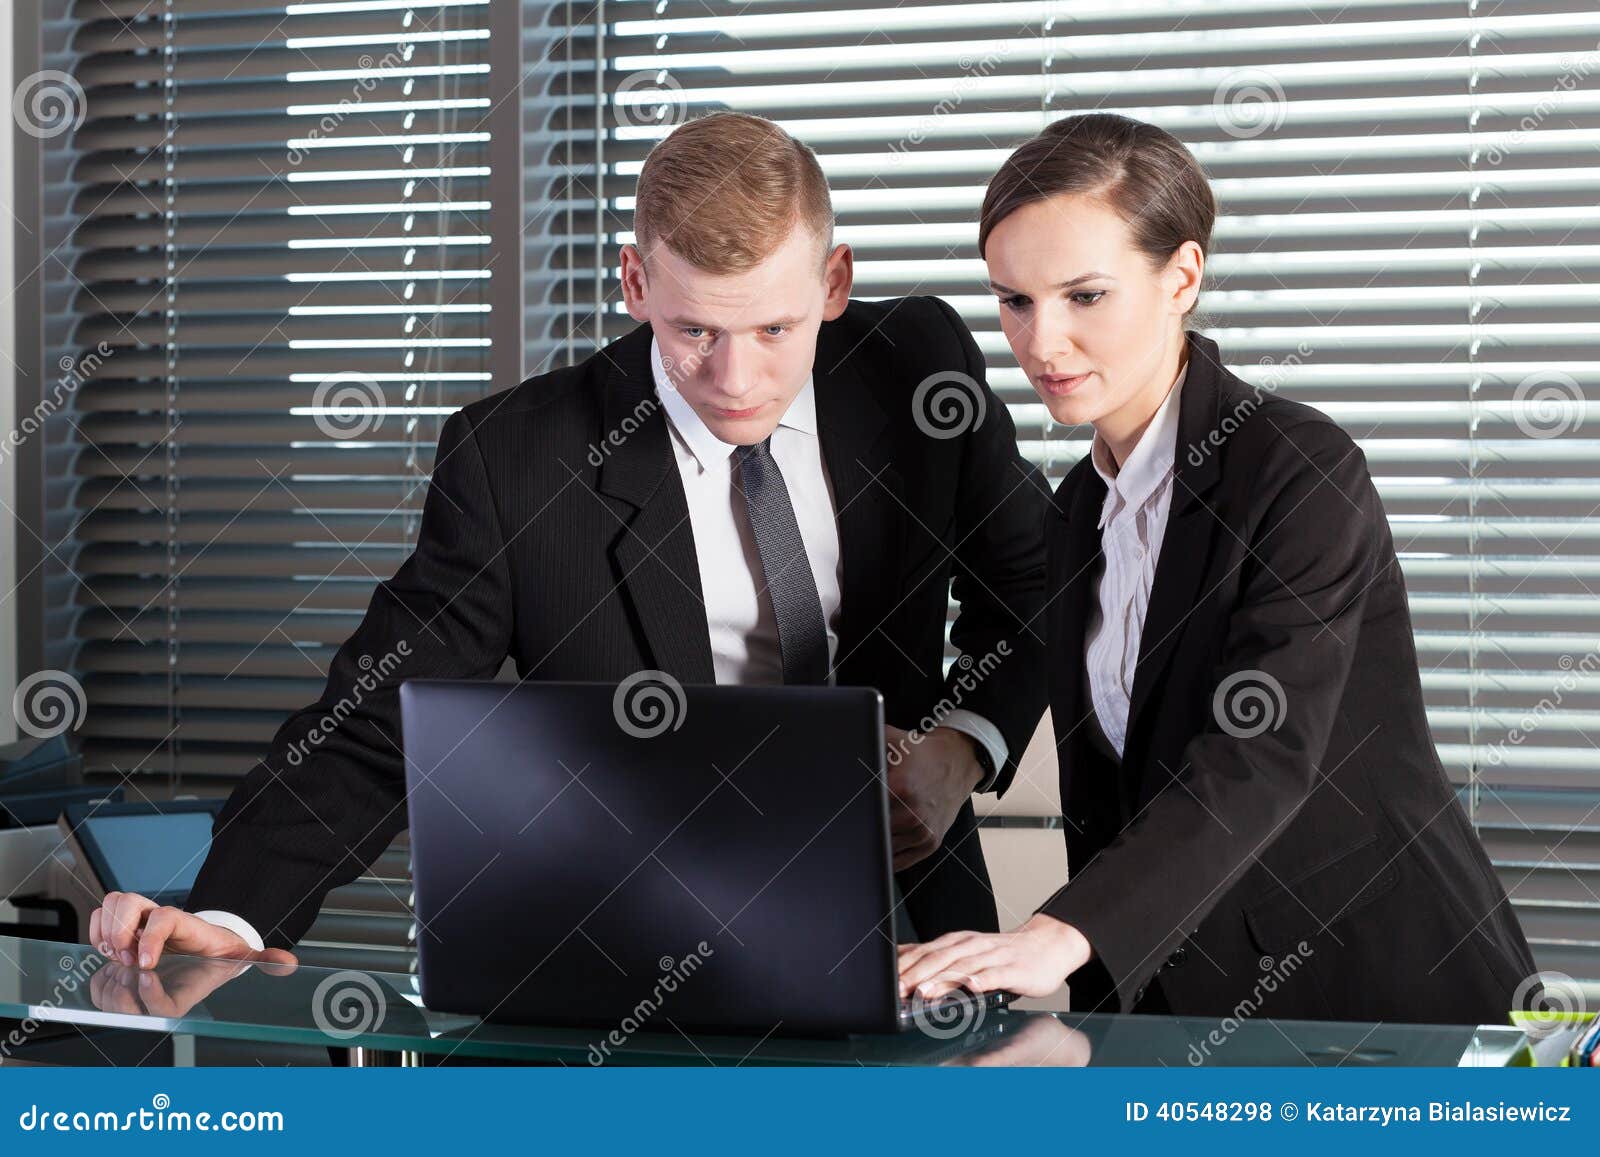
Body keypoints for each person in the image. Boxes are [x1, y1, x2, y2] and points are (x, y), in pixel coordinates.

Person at [92, 112, 1050, 971]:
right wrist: (235, 913)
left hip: (917, 914)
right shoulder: (520, 458)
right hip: (644, 940)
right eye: (694, 332)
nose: (736, 377)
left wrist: (961, 745)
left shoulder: (916, 369)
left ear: (834, 282)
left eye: (773, 327)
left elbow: (1044, 583)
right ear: (634, 281)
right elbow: (378, 723)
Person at [897, 113, 1537, 1024]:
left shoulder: (1298, 469)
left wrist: (1057, 933)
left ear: (1182, 276)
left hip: (1379, 995)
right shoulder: (1077, 509)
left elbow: (1259, 756)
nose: (1040, 345)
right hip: (1178, 1011)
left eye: (1084, 296)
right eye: (1014, 301)